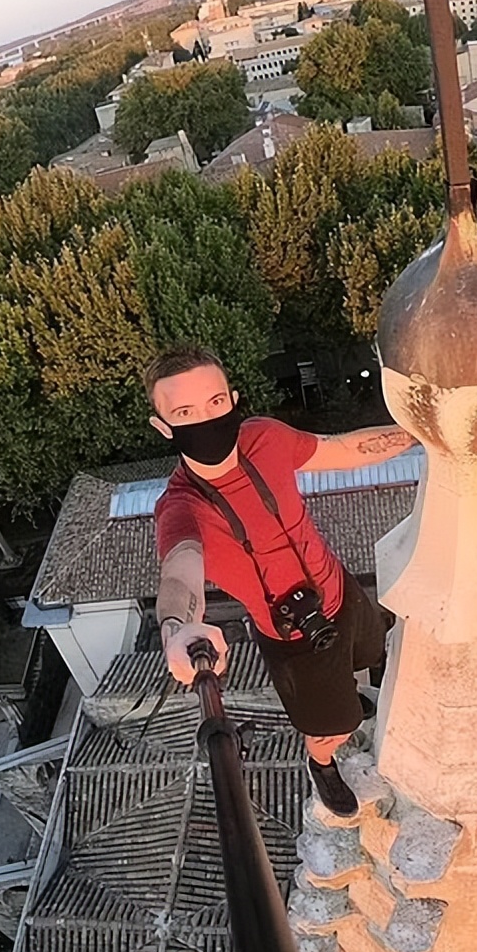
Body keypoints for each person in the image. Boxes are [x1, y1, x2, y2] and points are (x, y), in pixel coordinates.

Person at [147, 345, 416, 817]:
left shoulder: (264, 438)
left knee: (374, 651)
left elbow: (344, 450)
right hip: (291, 637)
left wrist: (421, 431)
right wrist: (177, 628)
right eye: (185, 412)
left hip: (338, 590)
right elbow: (181, 569)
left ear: (233, 399)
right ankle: (323, 764)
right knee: (332, 727)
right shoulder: (181, 506)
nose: (206, 419)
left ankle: (347, 693)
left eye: (215, 403)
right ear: (164, 427)